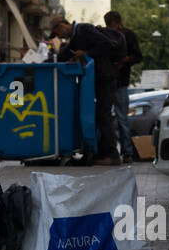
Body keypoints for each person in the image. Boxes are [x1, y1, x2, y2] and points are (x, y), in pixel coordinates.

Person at [50, 15, 124, 164]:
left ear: (62, 25)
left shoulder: (84, 29)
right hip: (95, 79)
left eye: (57, 32)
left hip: (105, 77)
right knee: (97, 115)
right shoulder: (75, 39)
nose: (58, 36)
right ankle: (100, 153)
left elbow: (108, 44)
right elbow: (62, 56)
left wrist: (87, 54)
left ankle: (112, 155)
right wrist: (40, 64)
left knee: (103, 115)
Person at [104, 10, 143, 162]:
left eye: (110, 24)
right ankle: (125, 152)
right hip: (118, 81)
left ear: (116, 22)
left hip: (116, 82)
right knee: (121, 119)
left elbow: (137, 56)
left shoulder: (126, 35)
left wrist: (124, 60)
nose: (109, 27)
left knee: (116, 119)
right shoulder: (125, 35)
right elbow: (137, 56)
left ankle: (126, 152)